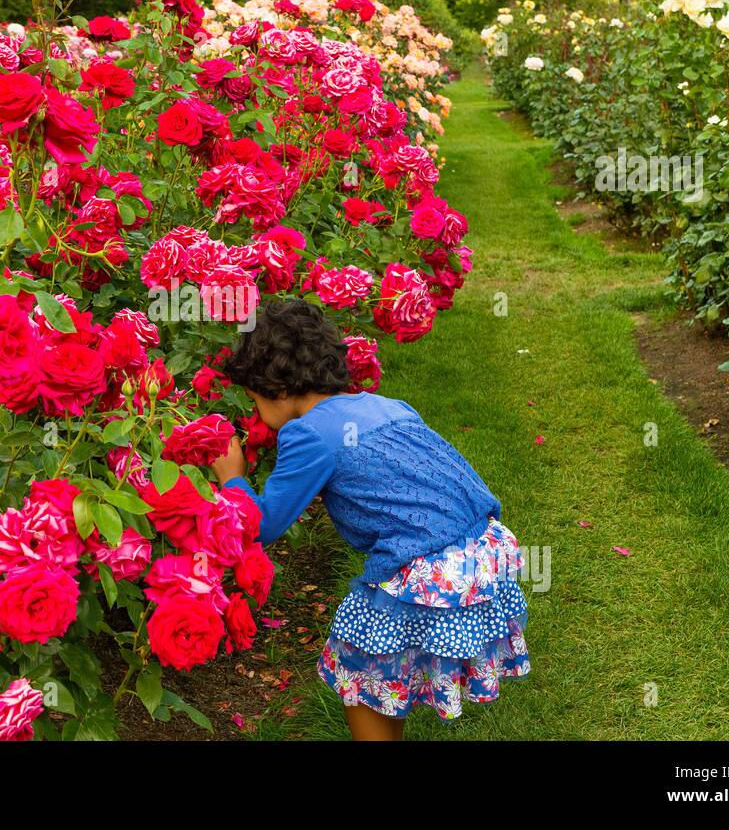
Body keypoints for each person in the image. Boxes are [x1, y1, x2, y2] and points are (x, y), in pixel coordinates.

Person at [211, 299, 529, 741]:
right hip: (479, 549)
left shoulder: (308, 435)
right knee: (386, 670)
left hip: (426, 570)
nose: (256, 414)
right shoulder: (388, 406)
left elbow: (263, 526)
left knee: (360, 673)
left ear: (276, 389)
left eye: (254, 400)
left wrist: (233, 477)